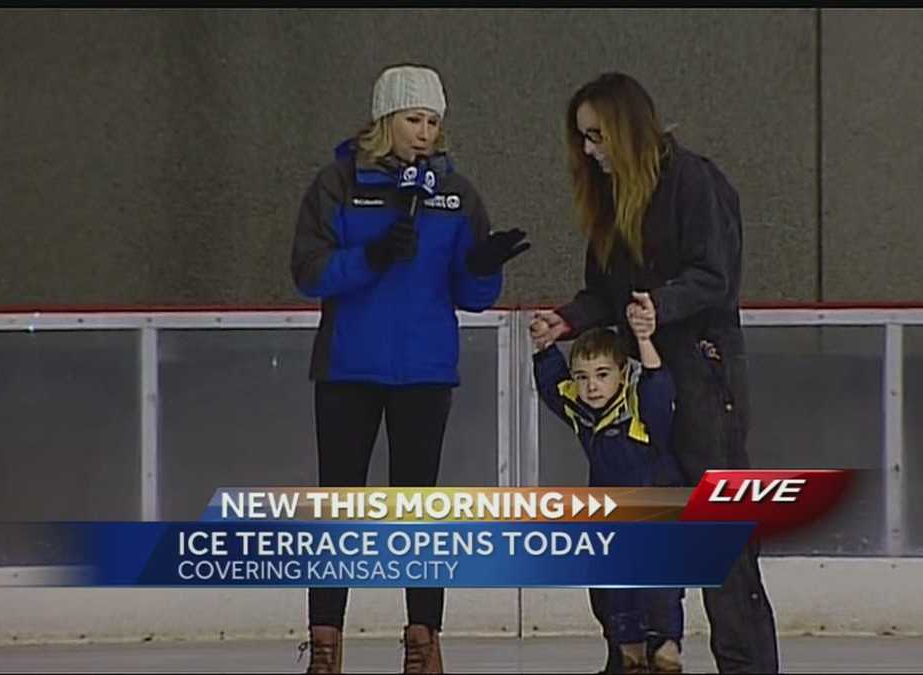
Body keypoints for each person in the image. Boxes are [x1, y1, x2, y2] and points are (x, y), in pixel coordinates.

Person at [529, 72, 780, 673]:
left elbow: (715, 274)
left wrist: (659, 305)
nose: (589, 151)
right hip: (642, 375)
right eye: (582, 139)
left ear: (626, 127)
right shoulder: (612, 197)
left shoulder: (695, 181)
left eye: (597, 136)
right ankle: (631, 651)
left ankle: (744, 663)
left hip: (700, 366)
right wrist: (565, 321)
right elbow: (604, 291)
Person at [290, 63, 530, 674]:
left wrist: (483, 263)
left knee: (418, 510)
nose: (424, 133)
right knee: (338, 509)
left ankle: (422, 642)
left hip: (423, 371)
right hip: (348, 368)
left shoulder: (456, 193)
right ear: (385, 121)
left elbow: (473, 296)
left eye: (432, 122)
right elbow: (309, 271)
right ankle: (325, 644)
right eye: (413, 119)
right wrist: (368, 256)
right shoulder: (337, 183)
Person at [531, 292, 687, 674]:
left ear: (622, 373)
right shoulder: (577, 405)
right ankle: (627, 652)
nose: (592, 386)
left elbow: (658, 386)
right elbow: (553, 384)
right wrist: (544, 348)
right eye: (583, 377)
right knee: (609, 590)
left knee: (658, 586)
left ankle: (666, 647)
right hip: (608, 512)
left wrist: (645, 341)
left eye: (602, 375)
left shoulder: (638, 403)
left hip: (656, 508)